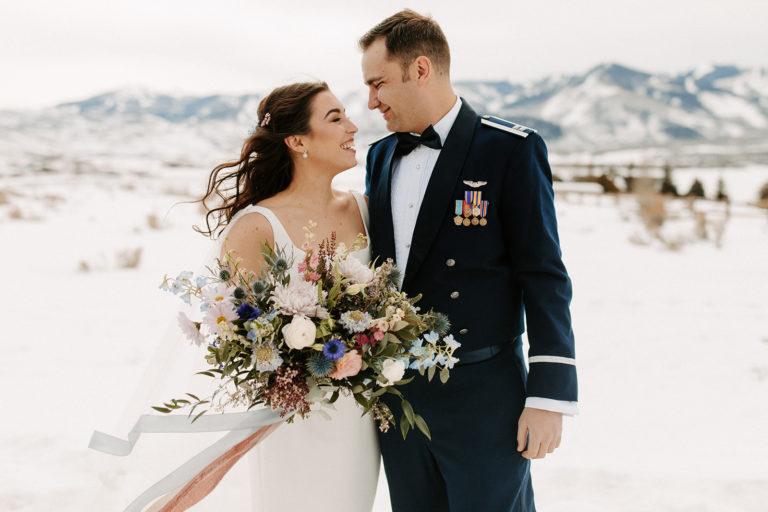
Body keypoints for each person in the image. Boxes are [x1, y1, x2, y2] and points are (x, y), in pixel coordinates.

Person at [360, 10, 578, 511]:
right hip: (399, 396)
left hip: (485, 395)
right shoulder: (379, 156)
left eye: (378, 84)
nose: (371, 102)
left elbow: (544, 276)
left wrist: (548, 397)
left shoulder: (509, 150)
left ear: (420, 70)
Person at [199, 81, 380, 511]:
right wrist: (302, 349)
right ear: (297, 140)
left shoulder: (367, 209)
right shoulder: (256, 226)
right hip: (292, 417)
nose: (352, 126)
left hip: (359, 417)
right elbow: (240, 335)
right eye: (335, 118)